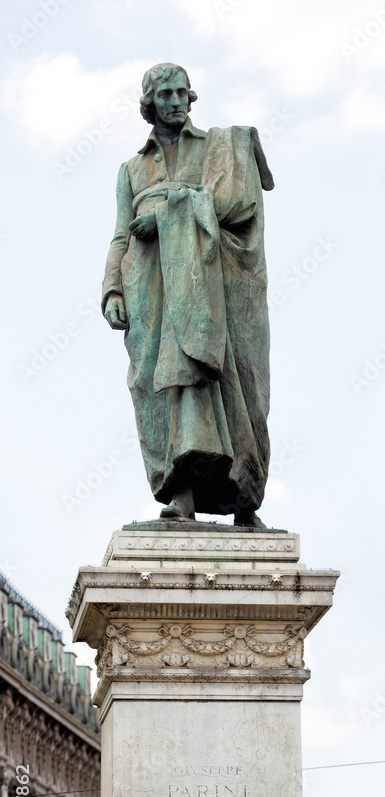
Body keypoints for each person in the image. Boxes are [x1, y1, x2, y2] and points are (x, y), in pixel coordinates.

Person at [102, 62, 274, 525]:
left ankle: (243, 500)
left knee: (231, 381)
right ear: (149, 104)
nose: (177, 102)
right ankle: (181, 494)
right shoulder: (132, 168)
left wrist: (171, 213)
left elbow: (240, 203)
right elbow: (121, 235)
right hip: (149, 283)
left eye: (183, 94)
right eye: (166, 96)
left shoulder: (218, 147)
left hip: (210, 278)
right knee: (160, 386)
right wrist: (112, 289)